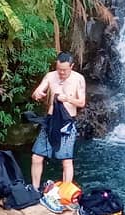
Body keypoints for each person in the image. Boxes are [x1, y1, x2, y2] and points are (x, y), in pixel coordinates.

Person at [30, 52, 86, 189]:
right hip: (50, 121)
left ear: (71, 66)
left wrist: (67, 99)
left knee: (66, 161)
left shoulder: (78, 79)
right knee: (36, 157)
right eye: (59, 69)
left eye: (64, 70)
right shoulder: (50, 76)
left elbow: (82, 102)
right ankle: (34, 189)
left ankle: (65, 192)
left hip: (67, 122)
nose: (61, 72)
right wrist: (37, 94)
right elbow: (36, 93)